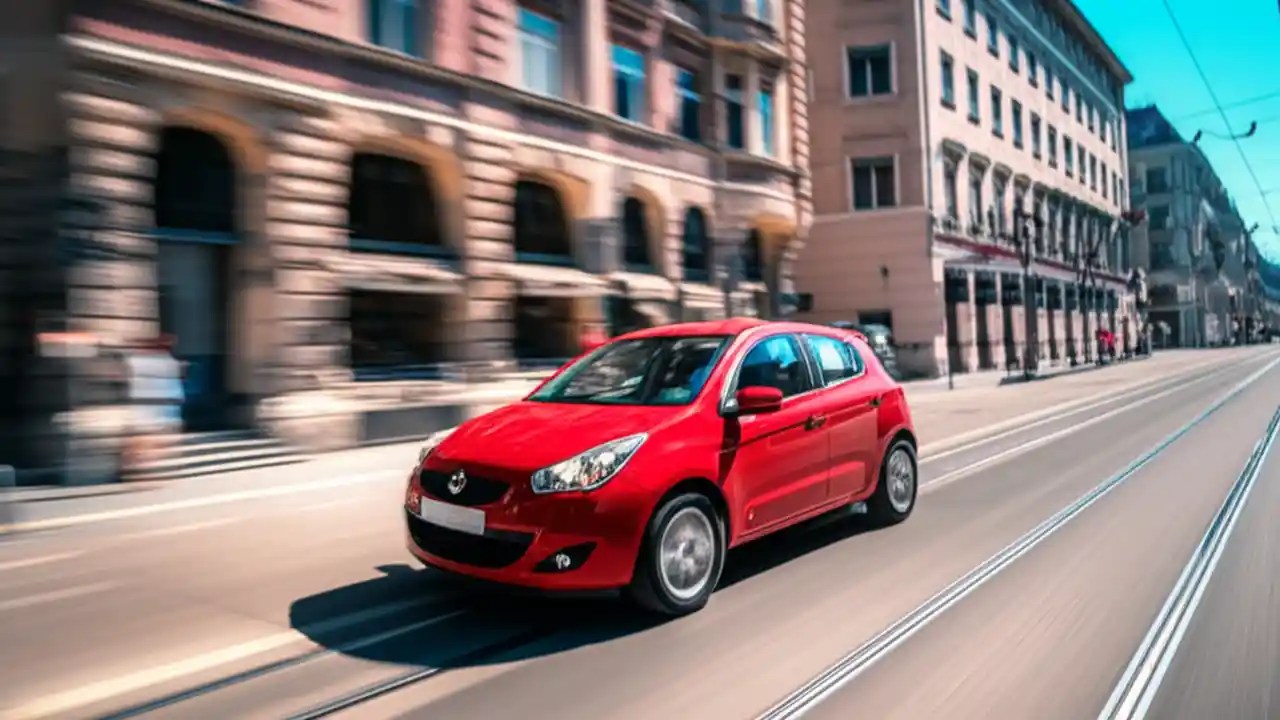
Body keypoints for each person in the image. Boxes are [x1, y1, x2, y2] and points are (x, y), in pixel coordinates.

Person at [121, 335, 185, 479]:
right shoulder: (166, 362)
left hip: (145, 406)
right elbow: (172, 386)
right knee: (148, 440)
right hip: (156, 407)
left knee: (142, 439)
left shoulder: (139, 360)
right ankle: (133, 466)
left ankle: (132, 465)